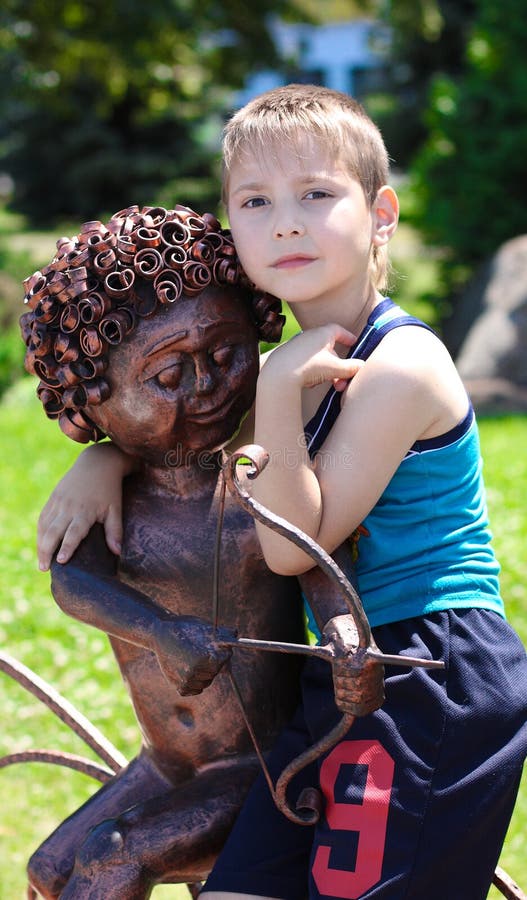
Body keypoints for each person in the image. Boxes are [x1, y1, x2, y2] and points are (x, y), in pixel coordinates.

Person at [37, 86, 527, 899]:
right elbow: (183, 442)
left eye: (316, 194)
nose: (286, 222)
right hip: (328, 679)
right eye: (256, 202)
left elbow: (286, 540)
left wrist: (277, 391)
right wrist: (104, 460)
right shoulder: (276, 372)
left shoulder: (399, 364)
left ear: (381, 213)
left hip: (424, 668)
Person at [20, 204, 307, 899]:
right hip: (169, 761)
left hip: (261, 766)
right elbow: (72, 583)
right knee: (49, 872)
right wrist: (158, 630)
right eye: (167, 377)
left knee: (115, 858)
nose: (207, 387)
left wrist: (350, 641)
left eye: (226, 354)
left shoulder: (266, 481)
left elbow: (325, 568)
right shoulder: (113, 496)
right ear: (93, 400)